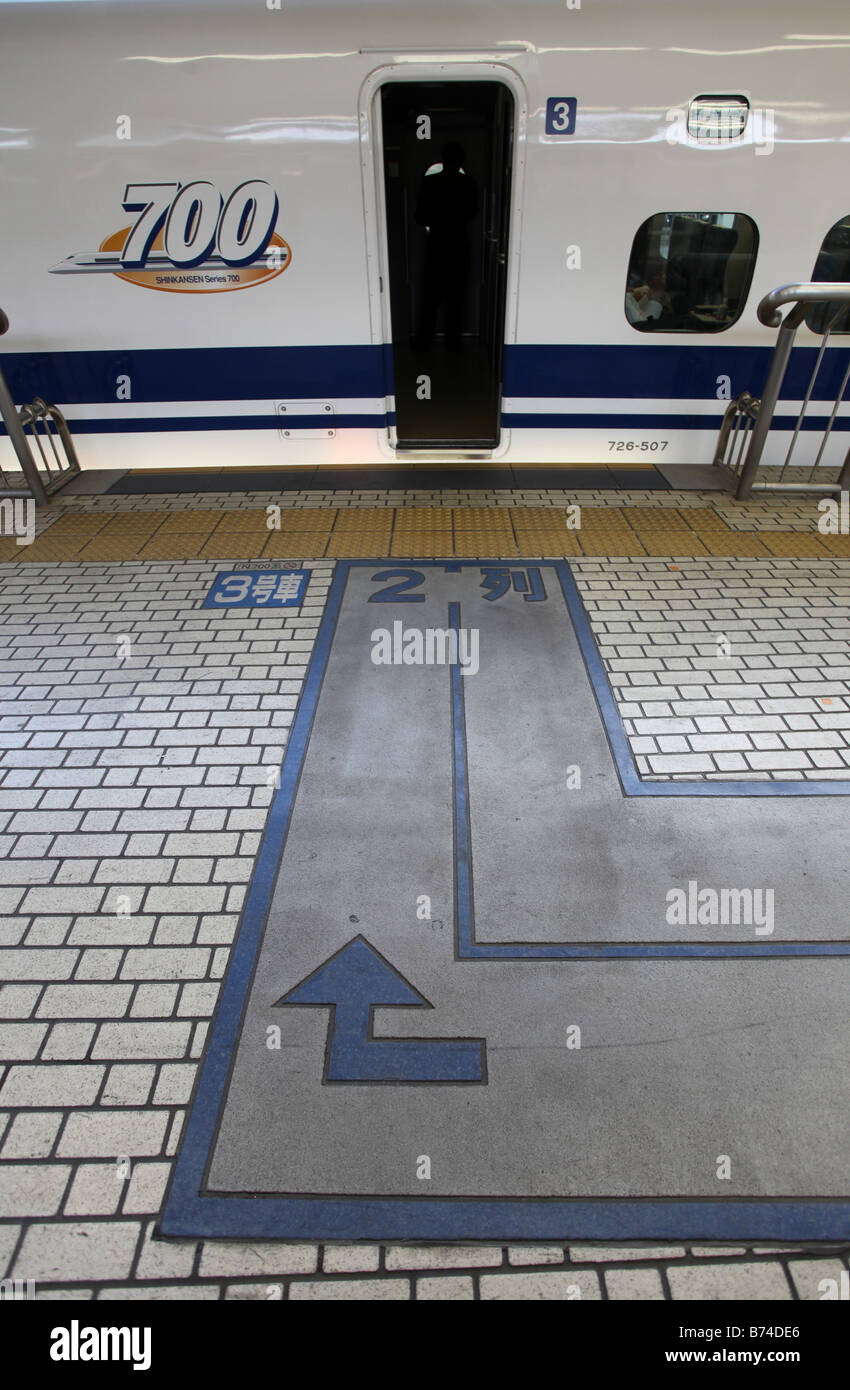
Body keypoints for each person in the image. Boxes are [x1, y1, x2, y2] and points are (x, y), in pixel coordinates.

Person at [412, 141, 478, 350]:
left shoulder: (430, 183)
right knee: (456, 299)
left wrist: (437, 221)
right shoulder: (469, 183)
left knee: (430, 298)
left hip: (437, 244)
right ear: (461, 161)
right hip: (459, 245)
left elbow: (420, 216)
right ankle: (453, 343)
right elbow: (473, 212)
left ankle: (424, 341)